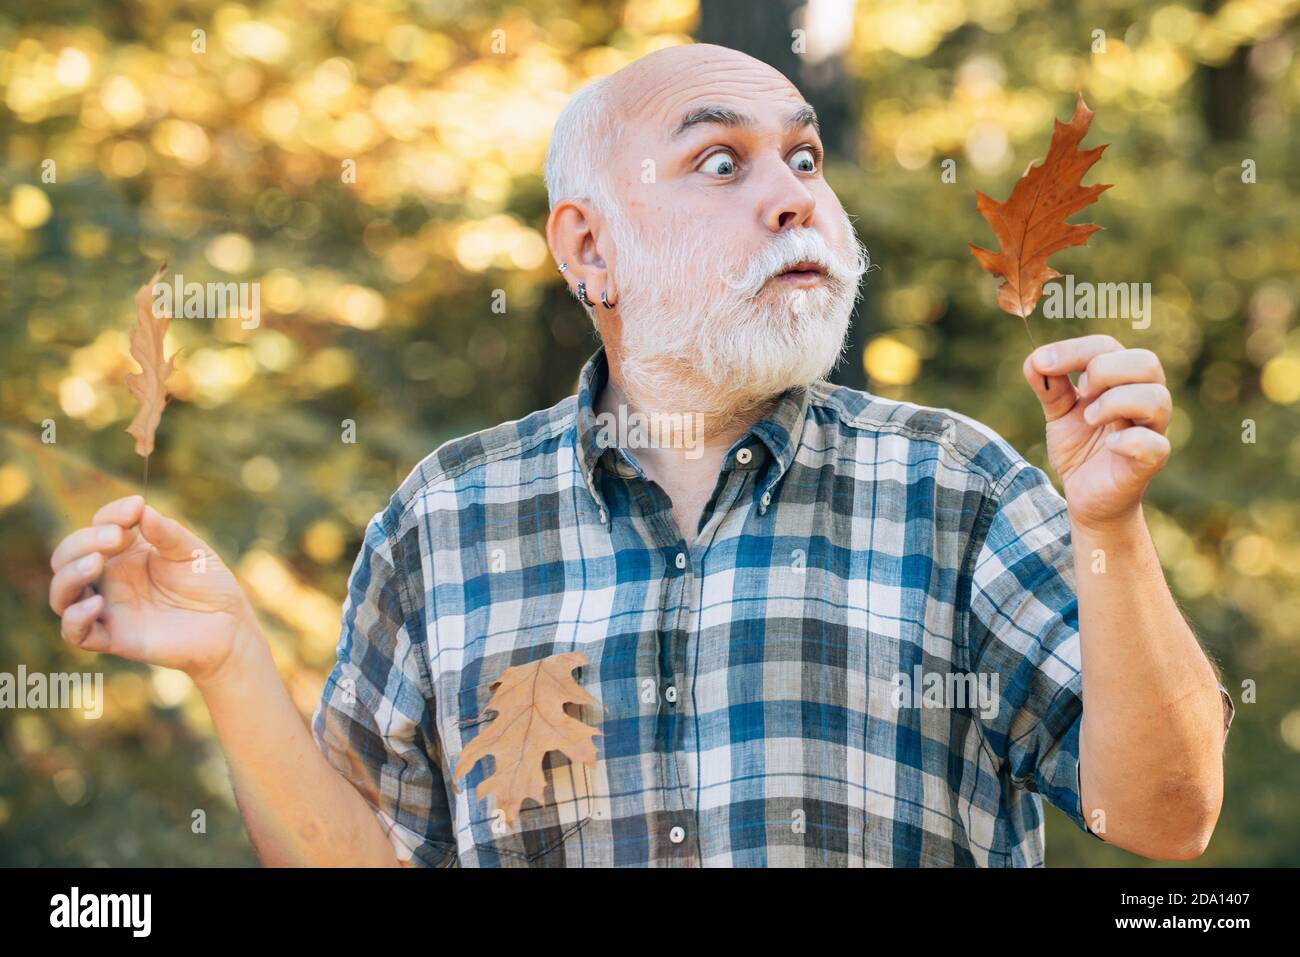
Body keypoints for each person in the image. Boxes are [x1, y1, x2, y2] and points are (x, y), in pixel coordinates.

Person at [48, 43, 1233, 867]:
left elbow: (1164, 819)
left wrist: (1112, 532)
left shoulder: (961, 488)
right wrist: (230, 660)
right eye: (722, 163)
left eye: (804, 160)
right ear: (589, 250)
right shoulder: (446, 516)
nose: (793, 199)